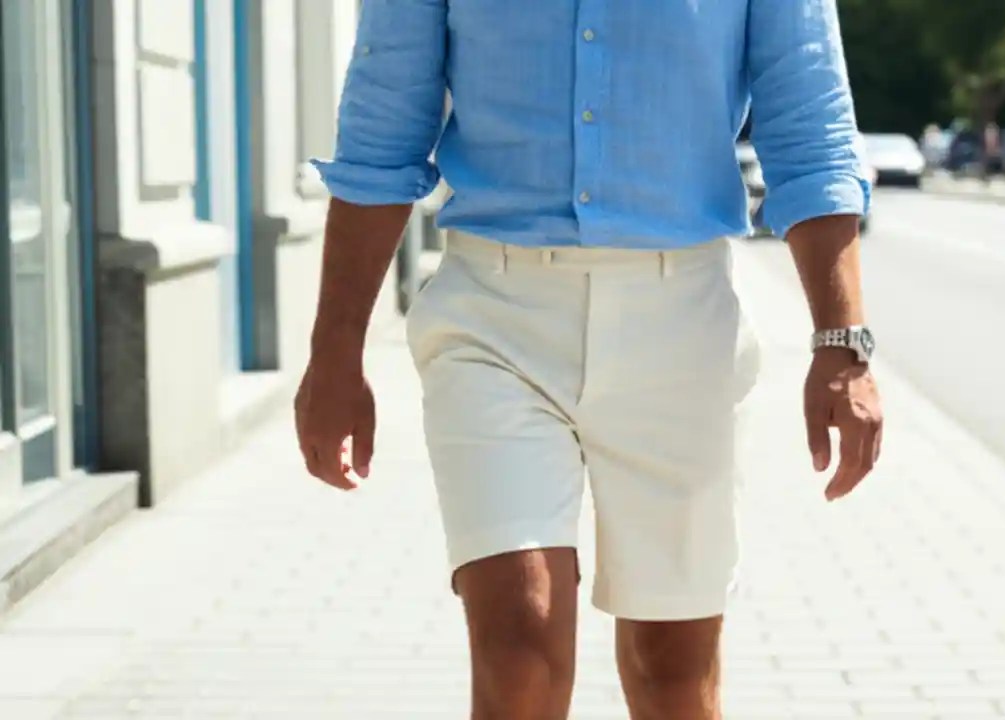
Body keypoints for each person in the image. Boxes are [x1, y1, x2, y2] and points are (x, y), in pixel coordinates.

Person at [293, 1, 884, 718]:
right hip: (493, 321)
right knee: (520, 653)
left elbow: (811, 130)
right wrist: (335, 351)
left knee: (673, 674)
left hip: (682, 329)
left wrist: (841, 345)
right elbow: (383, 129)